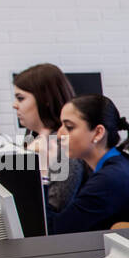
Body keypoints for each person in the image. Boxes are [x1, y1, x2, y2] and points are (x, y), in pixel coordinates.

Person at [49, 95, 129, 234]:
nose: (59, 135)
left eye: (69, 127)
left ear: (98, 133)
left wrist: (45, 173)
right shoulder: (120, 162)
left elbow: (56, 229)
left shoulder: (110, 178)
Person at [11, 63, 82, 211]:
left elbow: (55, 206)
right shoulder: (33, 136)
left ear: (45, 100)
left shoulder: (63, 146)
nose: (14, 105)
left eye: (21, 98)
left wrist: (42, 172)